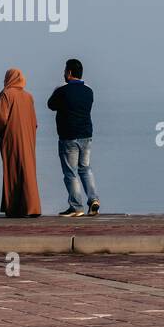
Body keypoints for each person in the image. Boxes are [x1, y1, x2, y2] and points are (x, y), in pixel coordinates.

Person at [48, 58, 100, 217]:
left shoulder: (62, 90)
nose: (63, 74)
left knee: (70, 172)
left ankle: (76, 206)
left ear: (69, 73)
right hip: (86, 135)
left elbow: (50, 105)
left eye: (65, 71)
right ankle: (93, 199)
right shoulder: (89, 90)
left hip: (68, 136)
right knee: (85, 169)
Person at [0, 68, 41, 218]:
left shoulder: (6, 94)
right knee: (28, 169)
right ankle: (32, 207)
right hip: (28, 137)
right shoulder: (28, 96)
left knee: (12, 170)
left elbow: (2, 118)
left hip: (12, 137)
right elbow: (35, 122)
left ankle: (14, 208)